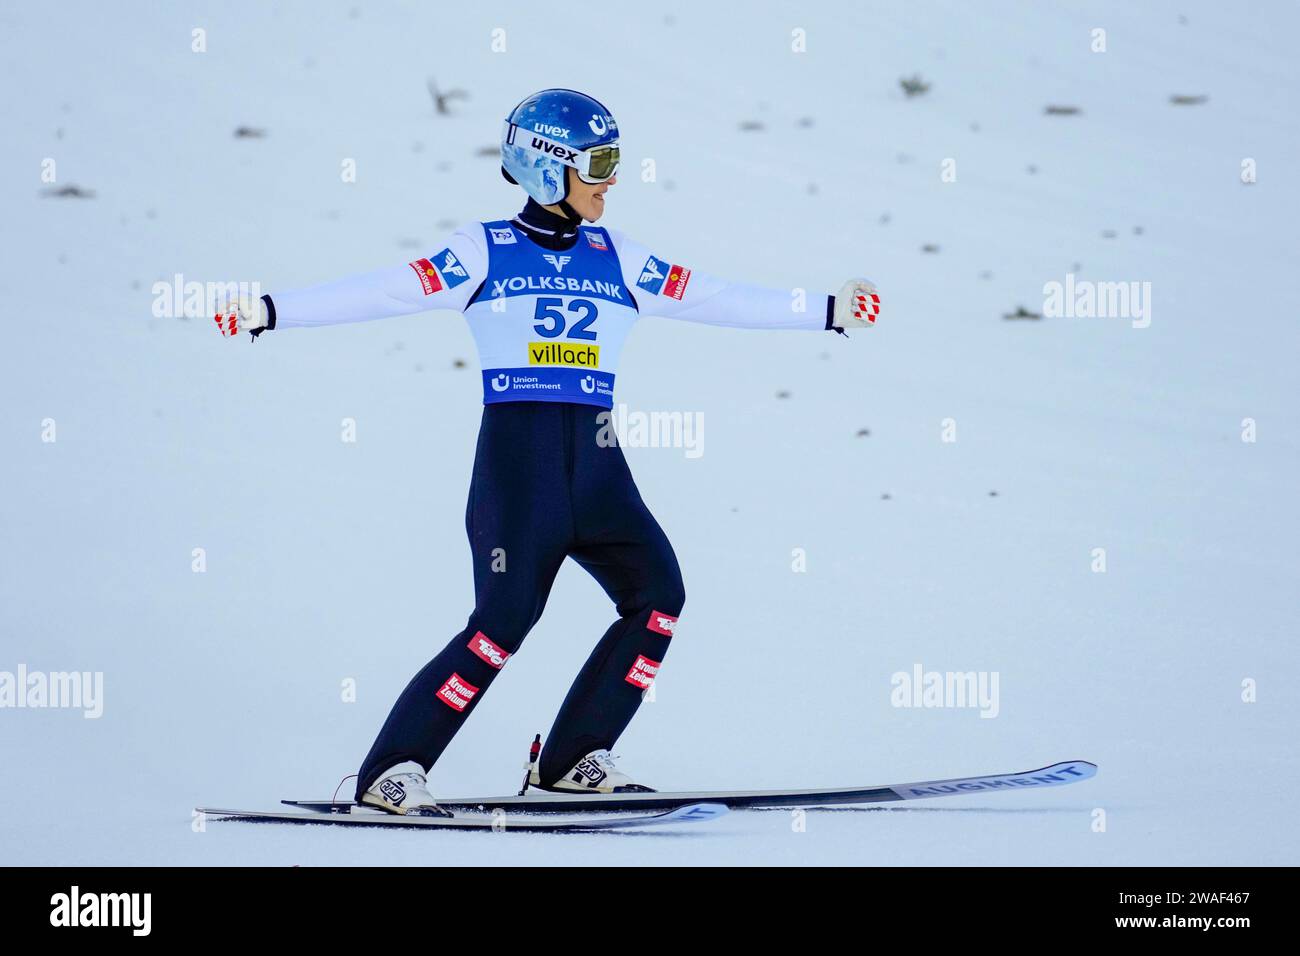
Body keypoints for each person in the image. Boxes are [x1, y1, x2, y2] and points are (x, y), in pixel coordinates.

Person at [216, 88, 881, 815]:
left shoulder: (618, 256)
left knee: (659, 596)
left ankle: (572, 759)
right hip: (519, 473)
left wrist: (824, 310)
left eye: (616, 160)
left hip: (599, 476)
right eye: (599, 162)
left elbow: (719, 297)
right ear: (545, 167)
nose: (611, 178)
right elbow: (383, 291)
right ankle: (391, 772)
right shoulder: (483, 251)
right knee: (502, 624)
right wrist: (272, 312)